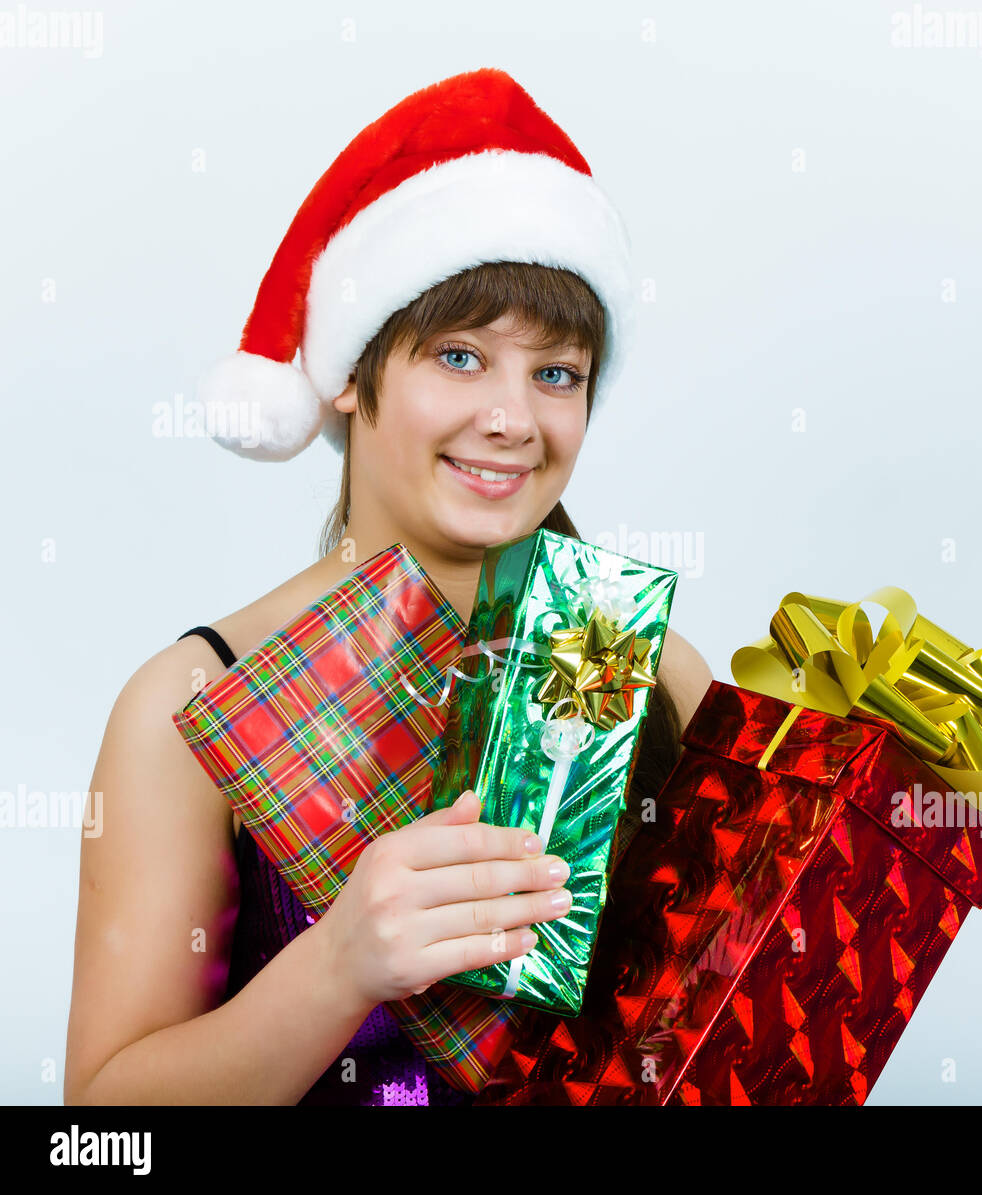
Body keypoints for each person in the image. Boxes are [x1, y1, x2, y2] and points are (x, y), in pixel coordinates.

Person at [63, 68, 713, 1106]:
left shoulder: (644, 654)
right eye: (459, 356)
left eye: (557, 373)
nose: (513, 418)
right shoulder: (190, 704)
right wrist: (339, 965)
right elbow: (103, 1130)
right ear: (350, 378)